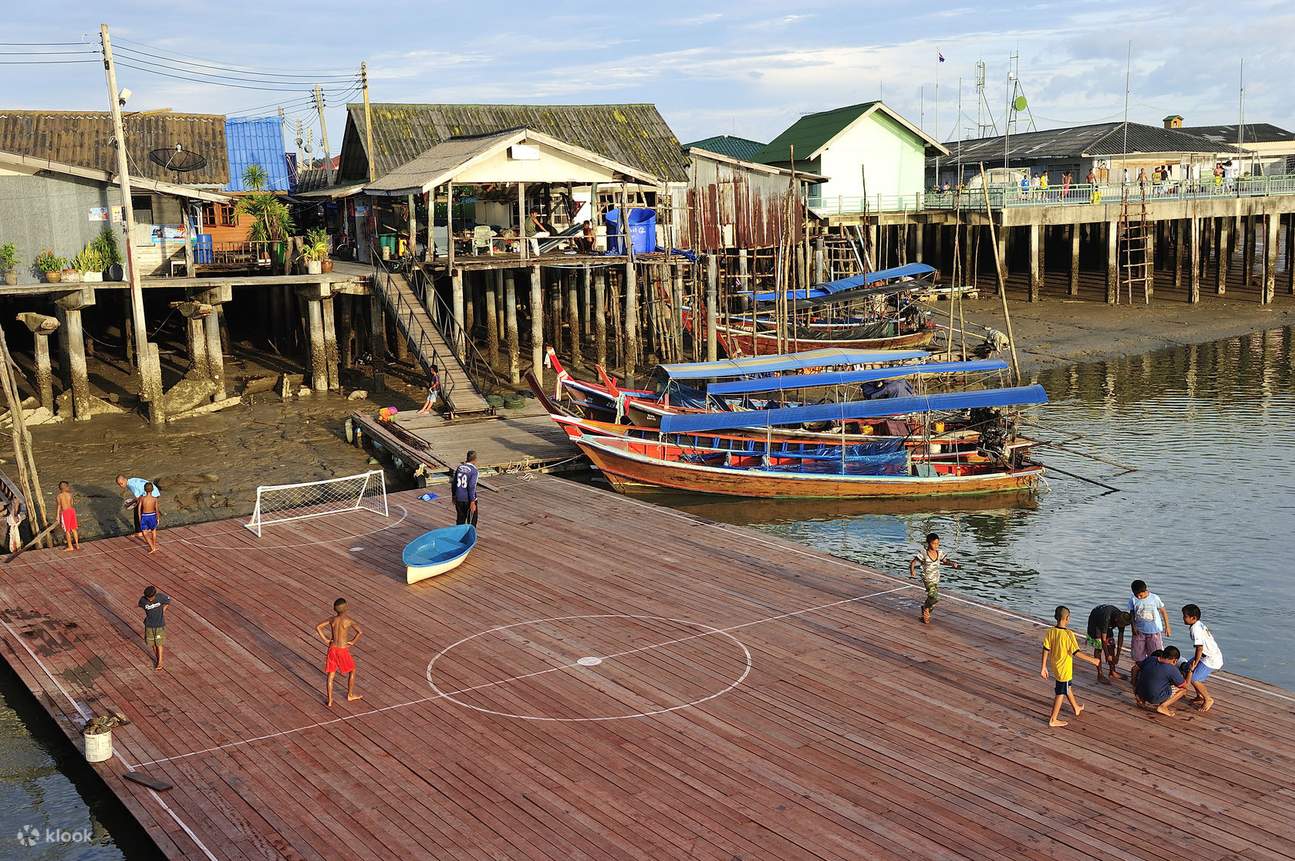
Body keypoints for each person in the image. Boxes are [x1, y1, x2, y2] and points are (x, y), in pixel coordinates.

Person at [1041, 606, 1102, 727]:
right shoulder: (1068, 634)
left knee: (1066, 687)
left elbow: (1046, 648)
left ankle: (1076, 707)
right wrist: (1093, 660)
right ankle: (1053, 719)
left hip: (1056, 666)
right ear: (1067, 618)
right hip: (1064, 668)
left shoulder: (1051, 631)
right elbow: (1076, 653)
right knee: (1060, 692)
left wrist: (1043, 666)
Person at [315, 598, 363, 707]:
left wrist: (326, 640)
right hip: (342, 649)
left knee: (331, 675)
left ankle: (330, 700)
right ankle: (350, 694)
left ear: (334, 609)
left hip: (332, 649)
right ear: (346, 608)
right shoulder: (348, 621)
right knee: (352, 670)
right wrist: (352, 642)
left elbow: (318, 627)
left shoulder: (332, 619)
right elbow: (360, 632)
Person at [909, 532, 960, 625]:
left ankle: (926, 612)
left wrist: (952, 564)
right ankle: (925, 609)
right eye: (933, 543)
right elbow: (913, 562)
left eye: (937, 543)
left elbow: (944, 561)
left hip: (936, 579)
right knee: (935, 597)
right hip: (928, 579)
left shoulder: (939, 553)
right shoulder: (924, 553)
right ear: (928, 543)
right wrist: (912, 571)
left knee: (933, 601)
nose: (936, 545)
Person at [1181, 604, 1223, 712]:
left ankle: (1208, 699)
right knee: (1186, 668)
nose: (1183, 618)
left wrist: (1195, 662)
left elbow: (1199, 648)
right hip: (1207, 654)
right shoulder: (1198, 624)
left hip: (1211, 658)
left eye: (1185, 616)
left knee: (1195, 679)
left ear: (1193, 618)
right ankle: (1199, 695)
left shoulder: (1195, 629)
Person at [1131, 647, 1187, 717]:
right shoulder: (1172, 669)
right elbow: (1184, 686)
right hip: (1154, 698)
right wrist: (1190, 671)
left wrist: (1134, 684)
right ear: (1175, 661)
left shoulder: (1151, 659)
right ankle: (1163, 706)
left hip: (1140, 692)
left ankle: (1141, 700)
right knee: (1183, 691)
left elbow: (1135, 668)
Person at [1127, 579, 1171, 664]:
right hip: (1139, 631)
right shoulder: (1133, 599)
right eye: (1136, 595)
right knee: (1138, 654)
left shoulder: (1154, 598)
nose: (1139, 597)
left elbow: (1163, 611)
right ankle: (1140, 671)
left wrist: (1167, 626)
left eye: (1140, 595)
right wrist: (1133, 626)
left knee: (1156, 654)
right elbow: (1132, 614)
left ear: (1145, 590)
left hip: (1153, 631)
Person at [1085, 604, 1131, 683]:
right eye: (1120, 625)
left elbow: (1120, 636)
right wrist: (1107, 655)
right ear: (1117, 620)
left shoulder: (1123, 618)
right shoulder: (1107, 618)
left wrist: (1117, 655)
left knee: (1111, 644)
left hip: (1107, 624)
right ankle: (1100, 674)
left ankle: (1112, 671)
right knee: (1098, 646)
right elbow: (1103, 639)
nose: (1121, 627)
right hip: (1095, 622)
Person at [138, 585, 170, 670]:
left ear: (155, 595)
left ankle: (160, 662)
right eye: (148, 598)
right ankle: (158, 658)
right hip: (149, 625)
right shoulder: (143, 600)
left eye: (151, 598)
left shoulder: (161, 597)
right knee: (152, 643)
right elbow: (140, 605)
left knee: (159, 643)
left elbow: (168, 601)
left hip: (159, 624)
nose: (150, 600)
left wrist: (163, 610)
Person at [453, 450, 479, 526]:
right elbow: (471, 486)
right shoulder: (474, 471)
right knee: (471, 521)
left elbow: (454, 482)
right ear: (475, 459)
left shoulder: (459, 468)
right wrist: (472, 501)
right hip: (468, 499)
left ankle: (459, 536)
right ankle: (469, 537)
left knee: (460, 520)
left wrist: (454, 495)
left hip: (458, 498)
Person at [56, 481, 79, 552]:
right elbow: (71, 503)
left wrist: (57, 516)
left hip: (65, 513)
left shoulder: (59, 496)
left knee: (67, 530)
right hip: (72, 511)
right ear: (65, 487)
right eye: (68, 486)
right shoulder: (70, 494)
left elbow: (59, 506)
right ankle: (77, 545)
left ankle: (70, 546)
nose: (69, 488)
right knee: (74, 529)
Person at [139, 483, 160, 554]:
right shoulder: (154, 499)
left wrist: (139, 518)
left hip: (144, 516)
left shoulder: (142, 498)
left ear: (144, 490)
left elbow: (139, 510)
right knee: (153, 531)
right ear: (153, 489)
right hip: (152, 516)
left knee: (144, 533)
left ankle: (152, 547)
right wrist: (158, 518)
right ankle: (153, 546)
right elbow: (157, 510)